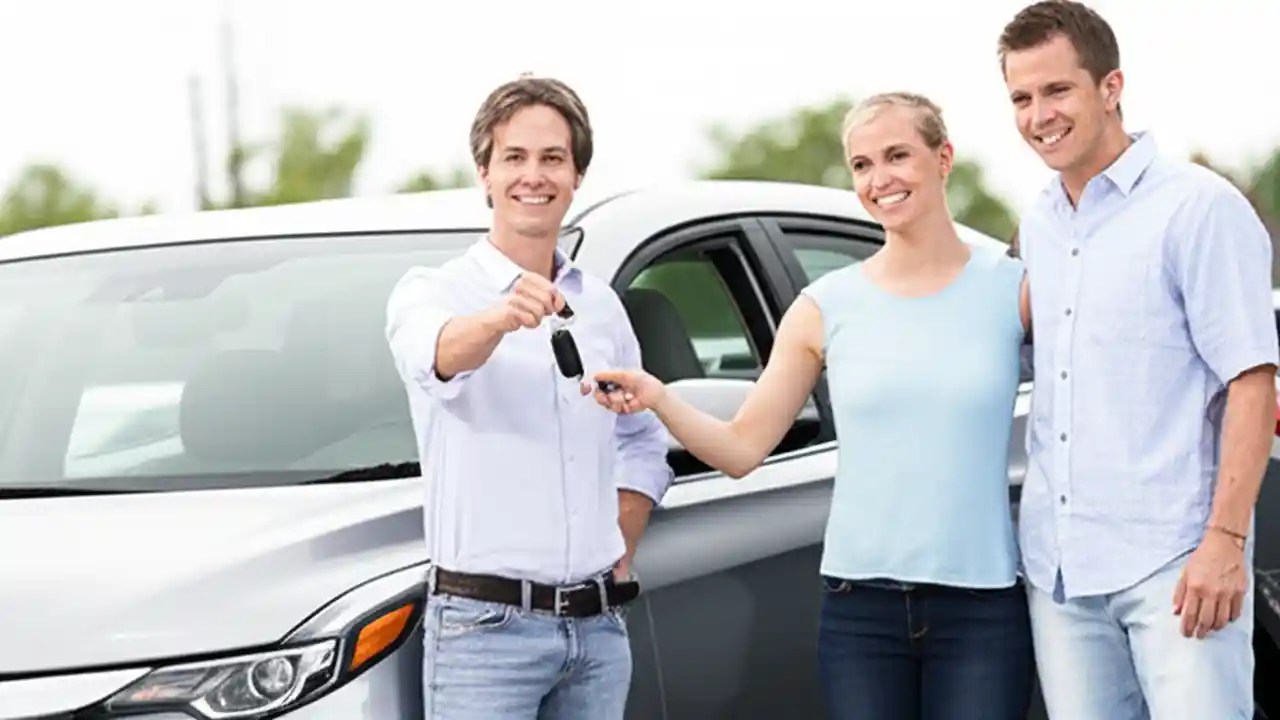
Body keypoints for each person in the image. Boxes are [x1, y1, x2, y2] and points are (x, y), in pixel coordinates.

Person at [592, 92, 1034, 720]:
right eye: (861, 164)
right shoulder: (825, 306)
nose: (879, 179)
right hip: (862, 615)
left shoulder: (1012, 288)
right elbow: (743, 449)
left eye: (897, 155)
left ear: (944, 157)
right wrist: (660, 397)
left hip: (983, 611)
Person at [997, 2, 1279, 717]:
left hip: (1177, 563)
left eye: (1057, 90)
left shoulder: (1198, 209)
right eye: (1021, 98)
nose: (1039, 116)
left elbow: (1253, 381)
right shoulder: (1040, 221)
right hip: (1061, 572)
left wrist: (1224, 542)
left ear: (1110, 86)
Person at [384, 75, 673, 720]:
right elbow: (433, 355)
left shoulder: (600, 307)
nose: (533, 176)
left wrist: (619, 553)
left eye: (552, 159)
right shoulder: (431, 292)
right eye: (514, 157)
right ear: (484, 173)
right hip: (484, 635)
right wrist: (497, 318)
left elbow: (641, 441)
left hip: (598, 633)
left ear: (577, 176)